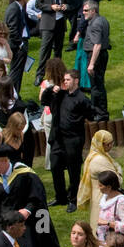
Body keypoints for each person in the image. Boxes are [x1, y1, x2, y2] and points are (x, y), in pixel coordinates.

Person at [46, 70, 95, 214]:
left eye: (68, 79)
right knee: (55, 167)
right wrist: (51, 90)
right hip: (58, 139)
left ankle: (73, 199)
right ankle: (60, 196)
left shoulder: (82, 99)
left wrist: (77, 121)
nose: (65, 82)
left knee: (73, 171)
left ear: (76, 81)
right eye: (64, 80)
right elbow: (44, 100)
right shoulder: (60, 95)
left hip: (73, 140)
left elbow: (91, 115)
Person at [77, 129, 123, 229]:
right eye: (108, 144)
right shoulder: (99, 160)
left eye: (112, 143)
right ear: (100, 144)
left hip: (98, 195)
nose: (111, 146)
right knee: (104, 224)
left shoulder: (95, 154)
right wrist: (119, 171)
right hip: (102, 196)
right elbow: (116, 180)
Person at [34, 0, 69, 82]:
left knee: (58, 50)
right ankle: (40, 74)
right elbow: (38, 4)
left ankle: (58, 74)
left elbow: (68, 2)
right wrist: (50, 7)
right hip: (48, 22)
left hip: (60, 21)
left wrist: (65, 6)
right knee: (45, 50)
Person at [81, 0, 110, 124]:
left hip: (96, 56)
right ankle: (99, 111)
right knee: (98, 85)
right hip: (101, 55)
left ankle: (101, 113)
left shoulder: (96, 23)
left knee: (96, 87)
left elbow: (97, 45)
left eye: (86, 10)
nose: (84, 13)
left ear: (93, 11)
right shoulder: (102, 20)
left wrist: (91, 64)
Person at [5, 0, 30, 95]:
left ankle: (15, 94)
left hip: (21, 42)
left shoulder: (18, 7)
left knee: (19, 71)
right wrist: (20, 44)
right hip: (17, 46)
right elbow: (12, 29)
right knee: (16, 71)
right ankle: (12, 94)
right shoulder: (14, 8)